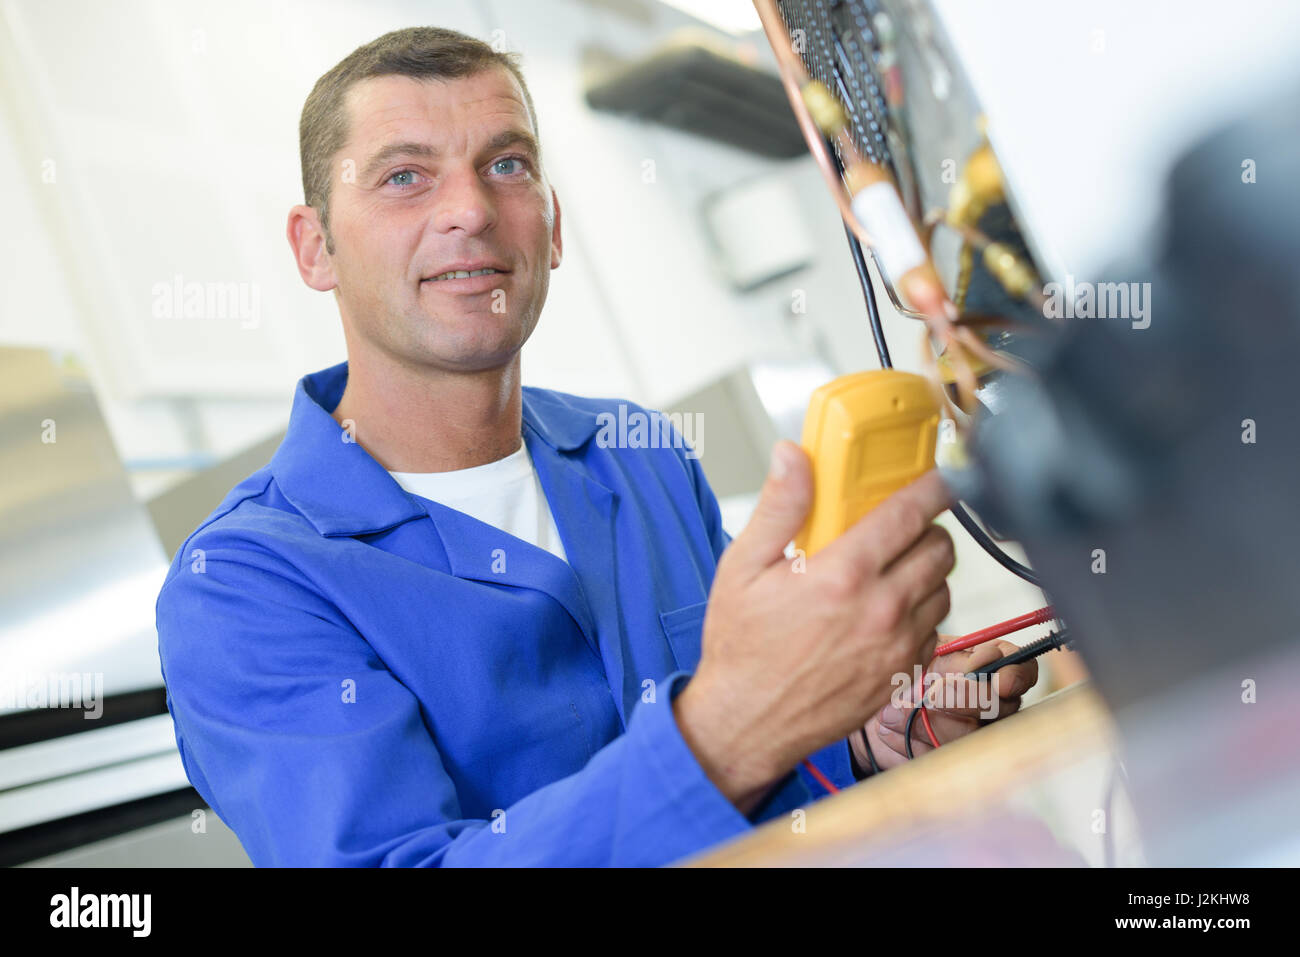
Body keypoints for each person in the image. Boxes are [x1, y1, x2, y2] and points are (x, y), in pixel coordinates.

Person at [155, 26, 1037, 866]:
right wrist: (727, 730)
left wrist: (869, 736)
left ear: (553, 225)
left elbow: (776, 759)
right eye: (403, 178)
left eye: (506, 165)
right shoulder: (243, 587)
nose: (469, 209)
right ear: (316, 250)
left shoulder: (641, 455)